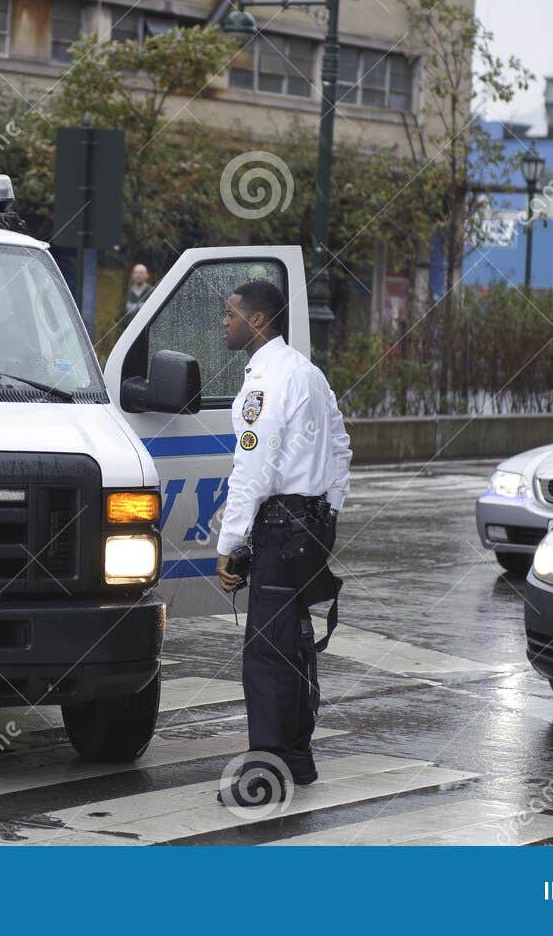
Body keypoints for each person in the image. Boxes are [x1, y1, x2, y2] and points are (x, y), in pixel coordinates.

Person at [215, 279, 351, 802]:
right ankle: (297, 758)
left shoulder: (266, 381)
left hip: (281, 529)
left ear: (257, 321)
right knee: (294, 645)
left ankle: (266, 773)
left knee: (268, 654)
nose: (224, 323)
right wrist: (330, 511)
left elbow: (253, 467)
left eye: (230, 314)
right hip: (310, 528)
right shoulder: (307, 373)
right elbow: (341, 446)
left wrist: (230, 543)